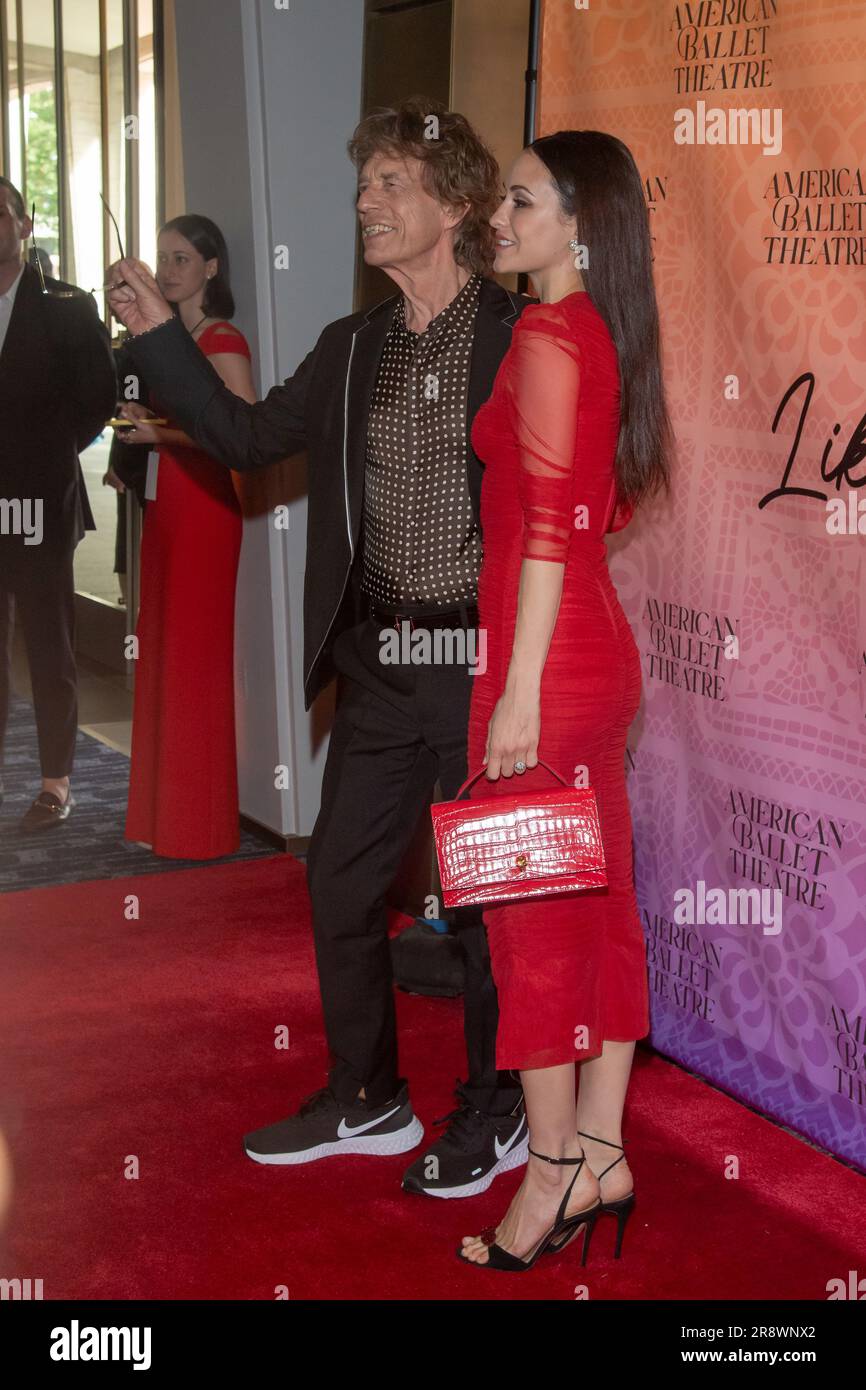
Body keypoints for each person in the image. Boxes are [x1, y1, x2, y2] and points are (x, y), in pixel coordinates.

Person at [108, 100, 532, 1197]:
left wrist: (534, 675)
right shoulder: (351, 348)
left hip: (485, 670)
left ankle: (499, 1110)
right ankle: (367, 1094)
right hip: (379, 664)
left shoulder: (519, 336)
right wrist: (158, 334)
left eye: (390, 183)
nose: (364, 202)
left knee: (486, 906)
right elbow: (246, 438)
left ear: (456, 205)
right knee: (339, 882)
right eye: (362, 184)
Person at [456, 131, 672, 1270]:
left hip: (542, 669)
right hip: (593, 656)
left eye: (522, 201)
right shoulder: (599, 332)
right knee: (597, 907)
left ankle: (546, 1178)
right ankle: (599, 1152)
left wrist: (515, 694)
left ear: (580, 223)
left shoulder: (546, 334)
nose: (498, 217)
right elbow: (602, 508)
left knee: (530, 924)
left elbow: (546, 529)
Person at [118, 215, 255, 859]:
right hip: (168, 499)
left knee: (193, 661)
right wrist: (150, 420)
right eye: (163, 258)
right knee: (163, 653)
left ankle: (198, 829)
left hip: (204, 506)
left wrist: (161, 432)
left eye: (181, 259)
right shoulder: (178, 336)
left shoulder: (223, 336)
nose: (168, 270)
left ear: (211, 267)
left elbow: (240, 427)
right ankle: (163, 820)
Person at [0, 176, 116, 830]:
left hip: (42, 503)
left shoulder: (67, 306)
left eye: (0, 214)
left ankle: (56, 783)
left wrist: (46, 453)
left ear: (24, 225)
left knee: (49, 646)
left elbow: (97, 395)